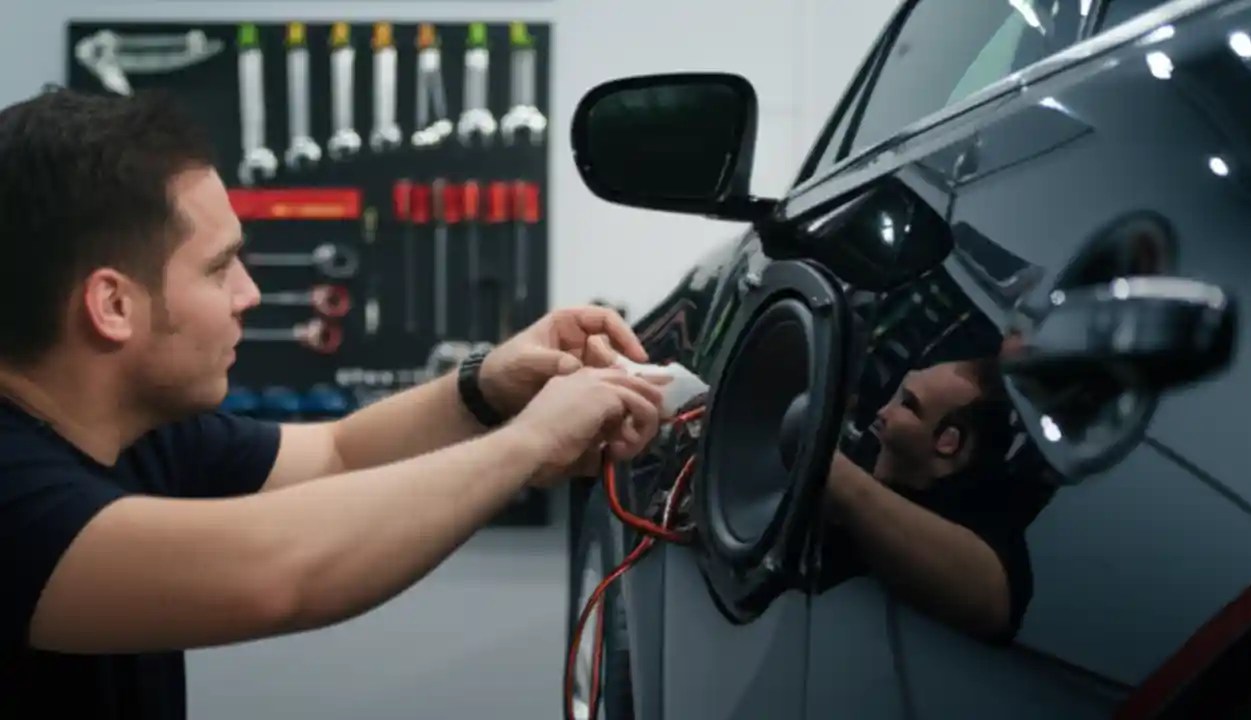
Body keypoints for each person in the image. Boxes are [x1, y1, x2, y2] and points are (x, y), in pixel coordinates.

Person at [0, 88, 665, 718]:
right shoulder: (13, 491)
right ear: (114, 305)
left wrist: (488, 385)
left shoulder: (138, 434)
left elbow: (338, 453)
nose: (248, 294)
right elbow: (281, 576)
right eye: (219, 267)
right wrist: (531, 442)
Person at [821, 356, 1048, 642]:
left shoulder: (981, 535)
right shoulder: (868, 454)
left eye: (908, 405)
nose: (883, 412)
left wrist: (831, 471)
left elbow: (993, 600)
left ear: (949, 442)